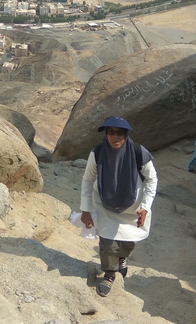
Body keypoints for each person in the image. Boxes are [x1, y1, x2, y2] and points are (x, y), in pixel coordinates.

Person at [80, 116, 158, 298]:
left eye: (120, 133)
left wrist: (145, 206)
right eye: (111, 133)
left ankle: (122, 258)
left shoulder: (138, 151)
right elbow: (87, 180)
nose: (115, 137)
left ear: (126, 135)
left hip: (134, 209)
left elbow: (152, 179)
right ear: (106, 134)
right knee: (108, 245)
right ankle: (109, 274)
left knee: (128, 242)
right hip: (105, 207)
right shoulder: (98, 152)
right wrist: (85, 209)